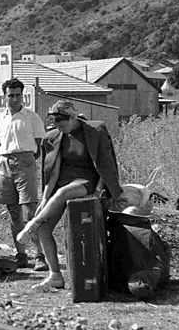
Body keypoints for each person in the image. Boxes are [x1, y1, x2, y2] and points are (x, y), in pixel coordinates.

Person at [16, 100, 122, 290]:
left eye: (62, 123)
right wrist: (45, 198)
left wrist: (98, 192)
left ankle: (32, 224)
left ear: (73, 118)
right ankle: (55, 275)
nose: (59, 127)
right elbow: (53, 172)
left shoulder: (95, 131)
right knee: (44, 230)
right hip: (61, 186)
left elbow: (105, 166)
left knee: (62, 194)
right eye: (56, 124)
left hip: (85, 183)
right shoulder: (54, 137)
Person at [0, 78, 48, 271]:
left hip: (25, 163)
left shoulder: (31, 117)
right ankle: (21, 254)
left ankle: (39, 255)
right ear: (4, 96)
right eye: (11, 95)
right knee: (13, 212)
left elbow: (40, 146)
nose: (15, 99)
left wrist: (27, 161)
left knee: (29, 211)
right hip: (4, 164)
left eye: (18, 95)